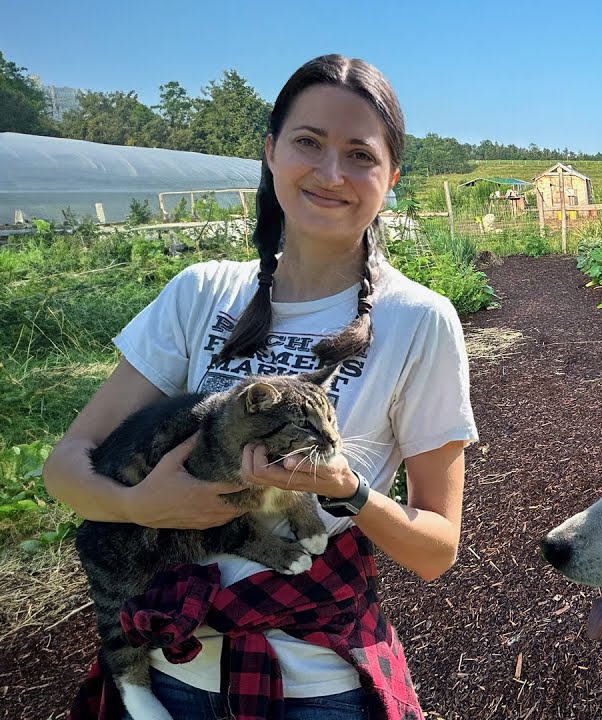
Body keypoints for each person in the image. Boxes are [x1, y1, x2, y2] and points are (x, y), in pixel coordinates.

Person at [45, 54, 477, 719]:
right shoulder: (201, 293)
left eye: (360, 155)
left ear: (390, 178)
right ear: (271, 152)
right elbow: (65, 467)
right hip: (168, 672)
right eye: (308, 142)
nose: (331, 173)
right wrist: (144, 506)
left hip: (316, 688)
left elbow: (436, 552)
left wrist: (348, 490)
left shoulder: (418, 320)